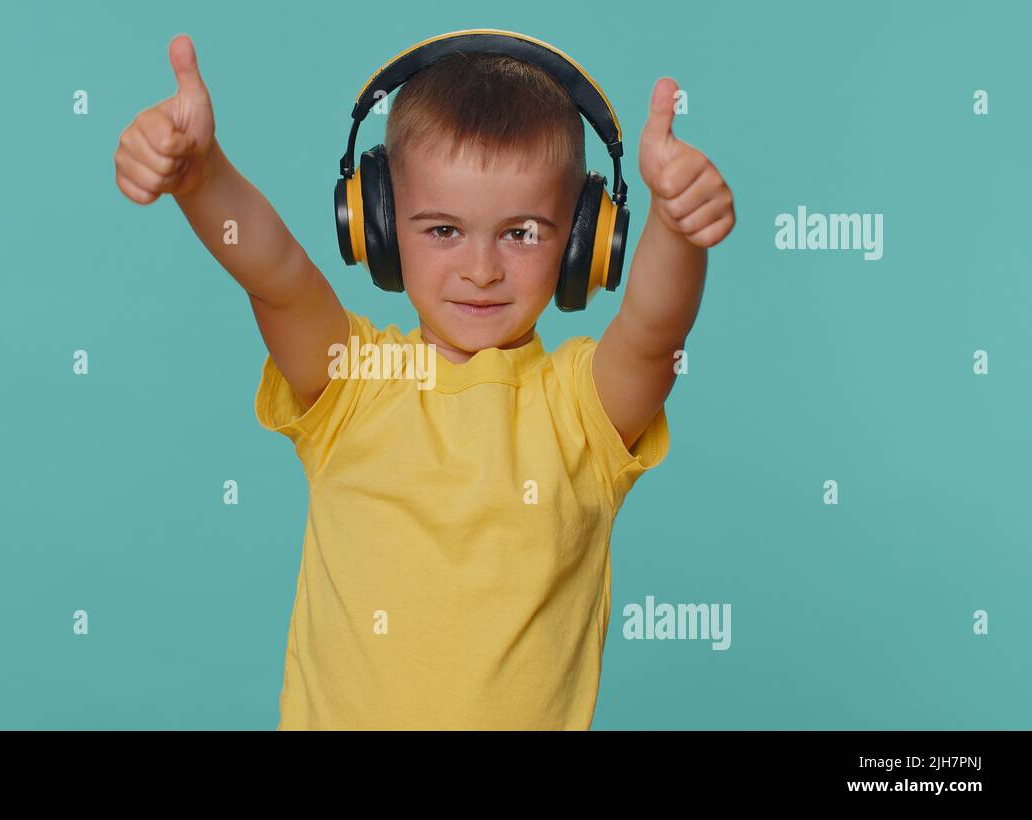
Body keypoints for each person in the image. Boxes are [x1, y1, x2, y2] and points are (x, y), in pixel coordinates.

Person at [114, 32, 734, 730]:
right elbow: (277, 276)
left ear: (585, 243)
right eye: (442, 230)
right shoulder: (355, 384)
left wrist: (679, 229)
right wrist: (202, 179)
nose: (481, 268)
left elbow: (655, 334)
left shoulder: (580, 412)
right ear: (375, 225)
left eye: (522, 233)